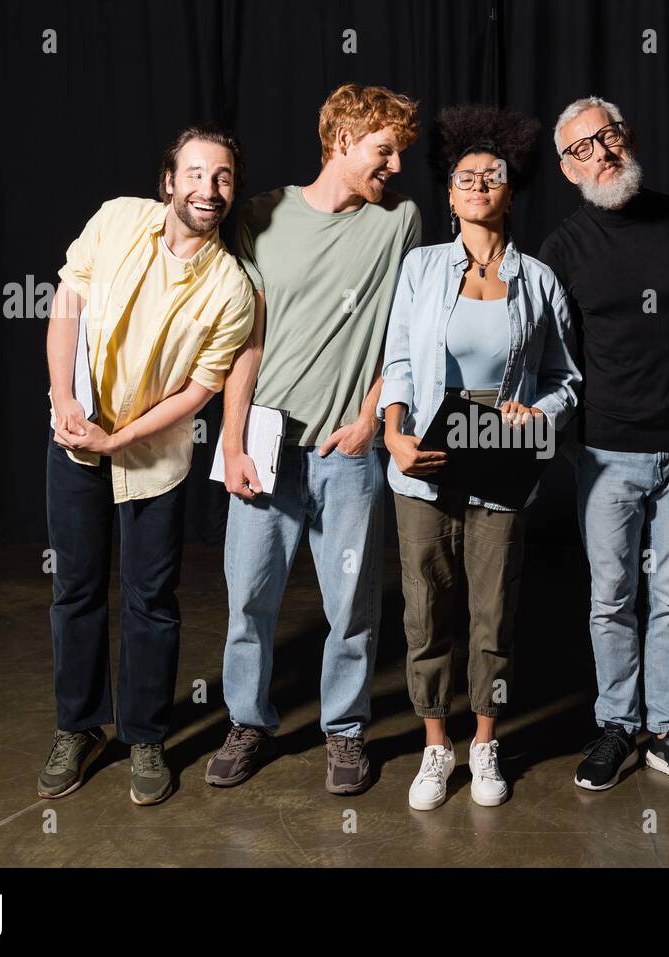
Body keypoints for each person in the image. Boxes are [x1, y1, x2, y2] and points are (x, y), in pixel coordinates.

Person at [206, 83, 421, 795]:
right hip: (267, 443)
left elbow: (403, 336)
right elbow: (247, 339)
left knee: (352, 602)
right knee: (249, 596)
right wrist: (232, 441)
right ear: (340, 142)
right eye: (383, 148)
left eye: (401, 152)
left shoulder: (400, 224)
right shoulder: (264, 215)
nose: (395, 164)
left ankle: (345, 731)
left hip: (347, 451)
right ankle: (248, 720)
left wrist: (368, 418)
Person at [40, 124, 255, 806]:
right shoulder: (116, 219)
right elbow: (67, 300)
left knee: (150, 601)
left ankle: (144, 736)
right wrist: (62, 396)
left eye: (221, 178)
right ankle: (79, 728)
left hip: (154, 457)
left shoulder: (232, 288)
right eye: (195, 174)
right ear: (169, 180)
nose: (208, 189)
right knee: (74, 589)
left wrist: (121, 437)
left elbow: (200, 390)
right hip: (75, 437)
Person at [378, 105, 581, 810]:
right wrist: (394, 432)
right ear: (450, 192)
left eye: (490, 176)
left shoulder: (541, 280)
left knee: (493, 612)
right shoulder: (422, 267)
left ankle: (485, 740)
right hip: (427, 456)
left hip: (500, 459)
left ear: (509, 190)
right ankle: (436, 745)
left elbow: (565, 379)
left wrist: (540, 412)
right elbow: (399, 358)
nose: (476, 184)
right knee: (426, 608)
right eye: (464, 176)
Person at [539, 96, 669, 795]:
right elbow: (552, 356)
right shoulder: (562, 248)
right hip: (607, 452)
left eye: (608, 136)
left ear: (628, 136)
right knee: (610, 596)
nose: (602, 152)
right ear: (567, 168)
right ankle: (618, 723)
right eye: (583, 148)